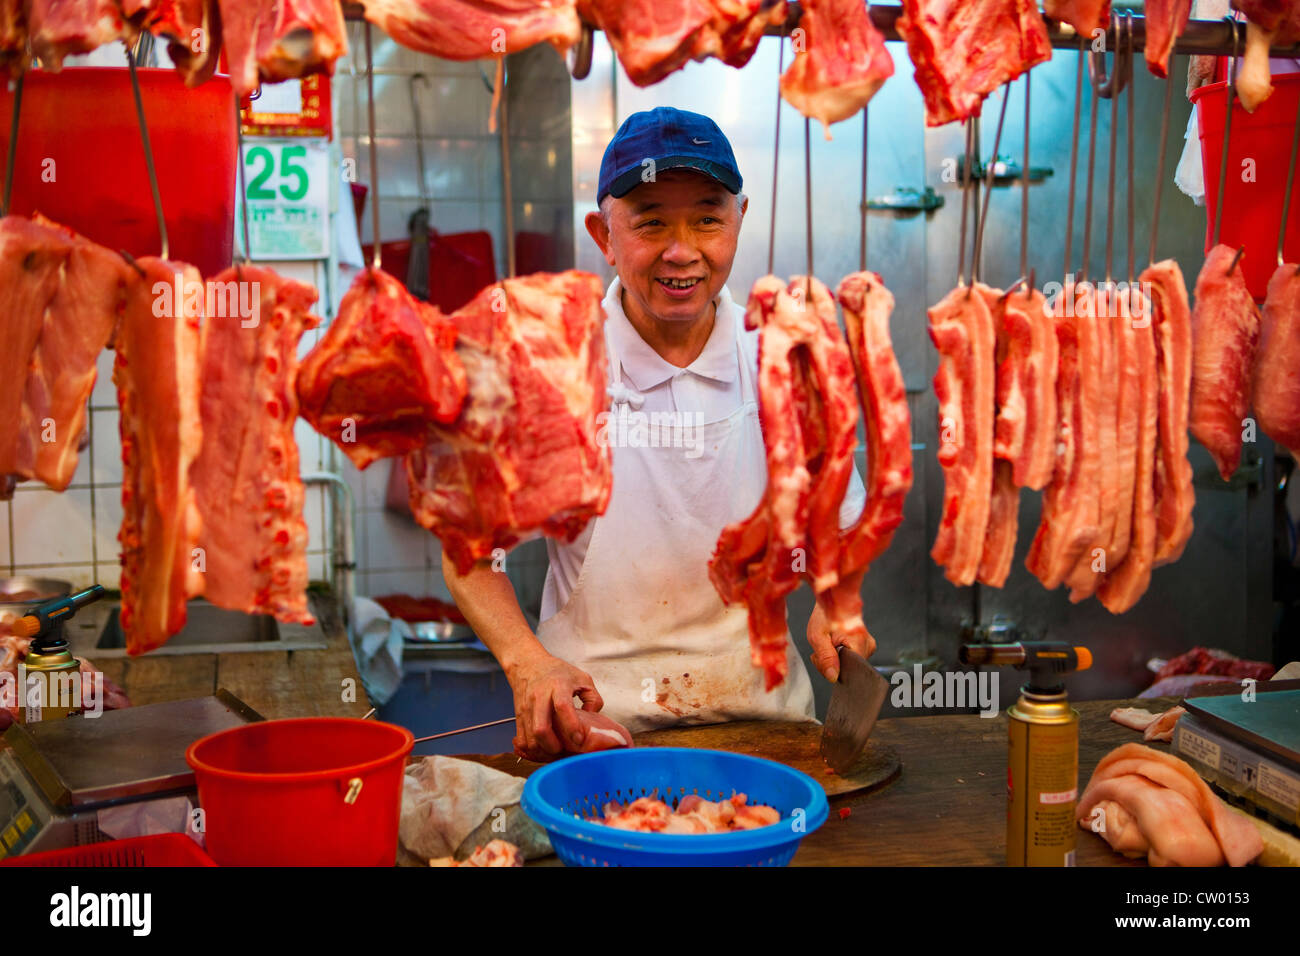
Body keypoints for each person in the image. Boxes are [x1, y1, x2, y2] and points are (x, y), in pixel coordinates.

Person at [443, 107, 868, 761]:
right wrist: (528, 664)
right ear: (604, 236)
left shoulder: (782, 357)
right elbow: (466, 546)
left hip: (772, 732)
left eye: (706, 217)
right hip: (596, 731)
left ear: (740, 220)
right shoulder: (557, 369)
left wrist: (837, 599)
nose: (682, 249)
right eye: (650, 222)